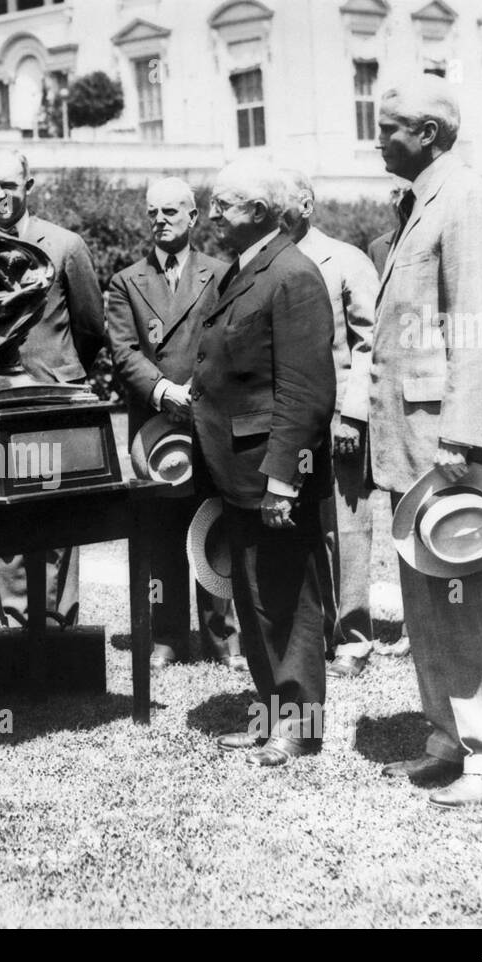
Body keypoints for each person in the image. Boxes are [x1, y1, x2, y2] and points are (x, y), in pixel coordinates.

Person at [344, 75, 482, 808]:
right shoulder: (419, 201)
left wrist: (459, 435)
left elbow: (481, 322)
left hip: (443, 441)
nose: (378, 139)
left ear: (430, 134)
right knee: (425, 595)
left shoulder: (468, 199)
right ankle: (448, 737)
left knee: (464, 593)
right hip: (405, 439)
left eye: (390, 128)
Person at [194, 160, 336, 768]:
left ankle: (300, 729)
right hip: (236, 469)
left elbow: (306, 394)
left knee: (287, 600)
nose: (212, 215)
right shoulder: (245, 270)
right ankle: (270, 717)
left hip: (270, 473)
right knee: (253, 601)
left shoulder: (293, 275)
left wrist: (285, 478)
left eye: (223, 205)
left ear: (258, 211)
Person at [106, 176, 242, 670]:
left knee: (214, 525)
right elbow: (122, 350)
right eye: (152, 213)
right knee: (160, 529)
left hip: (208, 421)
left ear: (193, 217)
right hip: (154, 427)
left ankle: (221, 635)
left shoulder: (224, 274)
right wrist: (164, 391)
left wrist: (198, 394)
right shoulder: (126, 281)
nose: (160, 221)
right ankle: (165, 636)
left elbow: (232, 344)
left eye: (170, 212)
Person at [0, 148, 105, 628]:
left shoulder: (65, 245)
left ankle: (58, 623)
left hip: (54, 402)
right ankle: (15, 623)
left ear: (29, 186)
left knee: (57, 512)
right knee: (0, 514)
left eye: (9, 185)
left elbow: (91, 327)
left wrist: (60, 374)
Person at [280, 169, 380, 680]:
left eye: (284, 198)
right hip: (290, 425)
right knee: (298, 526)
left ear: (307, 203)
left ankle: (354, 639)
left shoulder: (346, 260)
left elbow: (369, 344)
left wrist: (354, 415)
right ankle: (310, 632)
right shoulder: (265, 262)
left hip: (340, 422)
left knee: (347, 529)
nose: (275, 207)